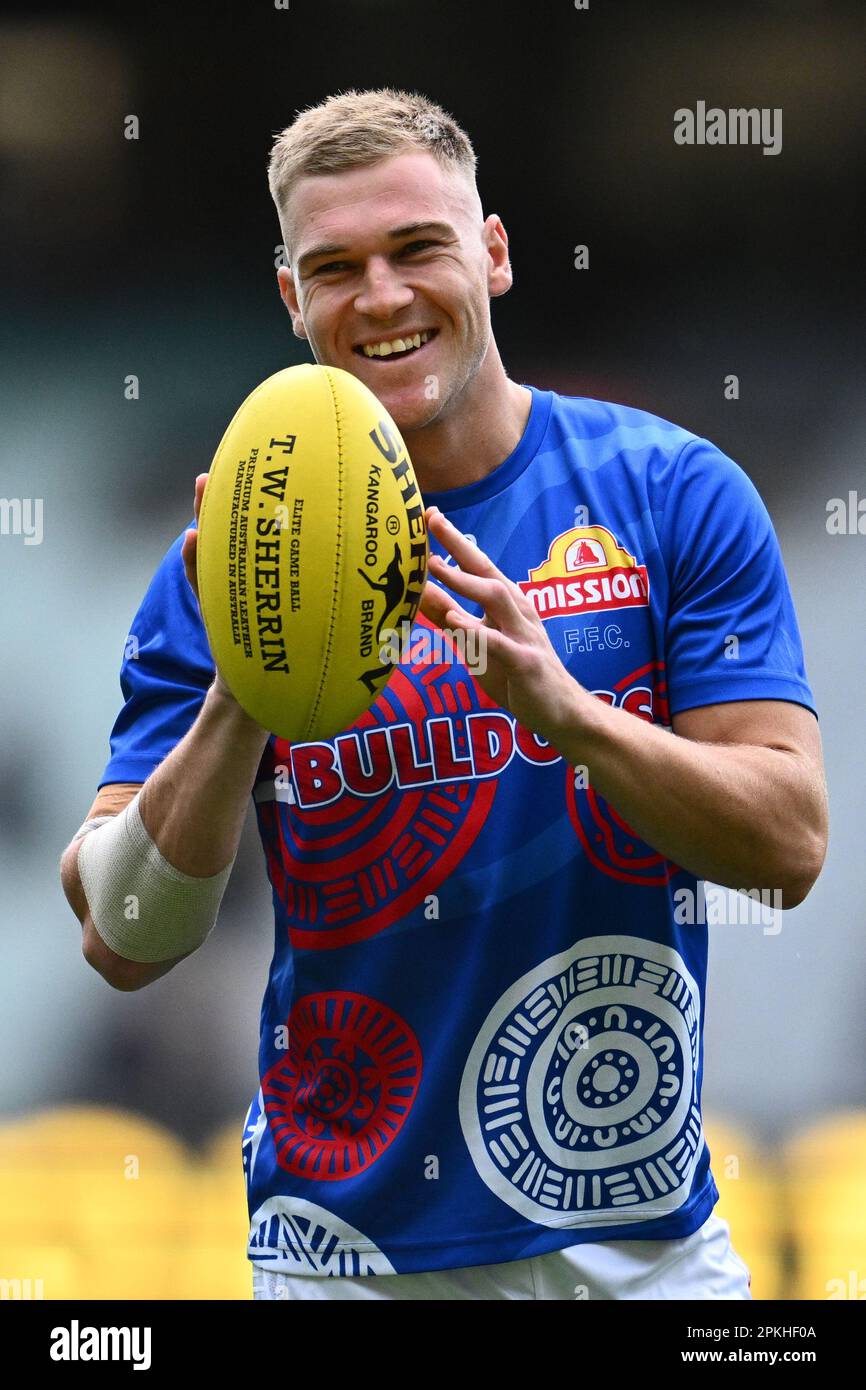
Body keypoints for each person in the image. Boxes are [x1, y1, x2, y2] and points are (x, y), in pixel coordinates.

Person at [60, 88, 828, 1301]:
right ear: (289, 298)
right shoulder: (221, 564)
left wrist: (573, 718)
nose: (379, 296)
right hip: (344, 1261)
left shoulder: (673, 494)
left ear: (493, 254)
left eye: (416, 247)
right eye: (335, 266)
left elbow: (788, 843)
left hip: (646, 1252)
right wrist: (244, 683)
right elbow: (122, 935)